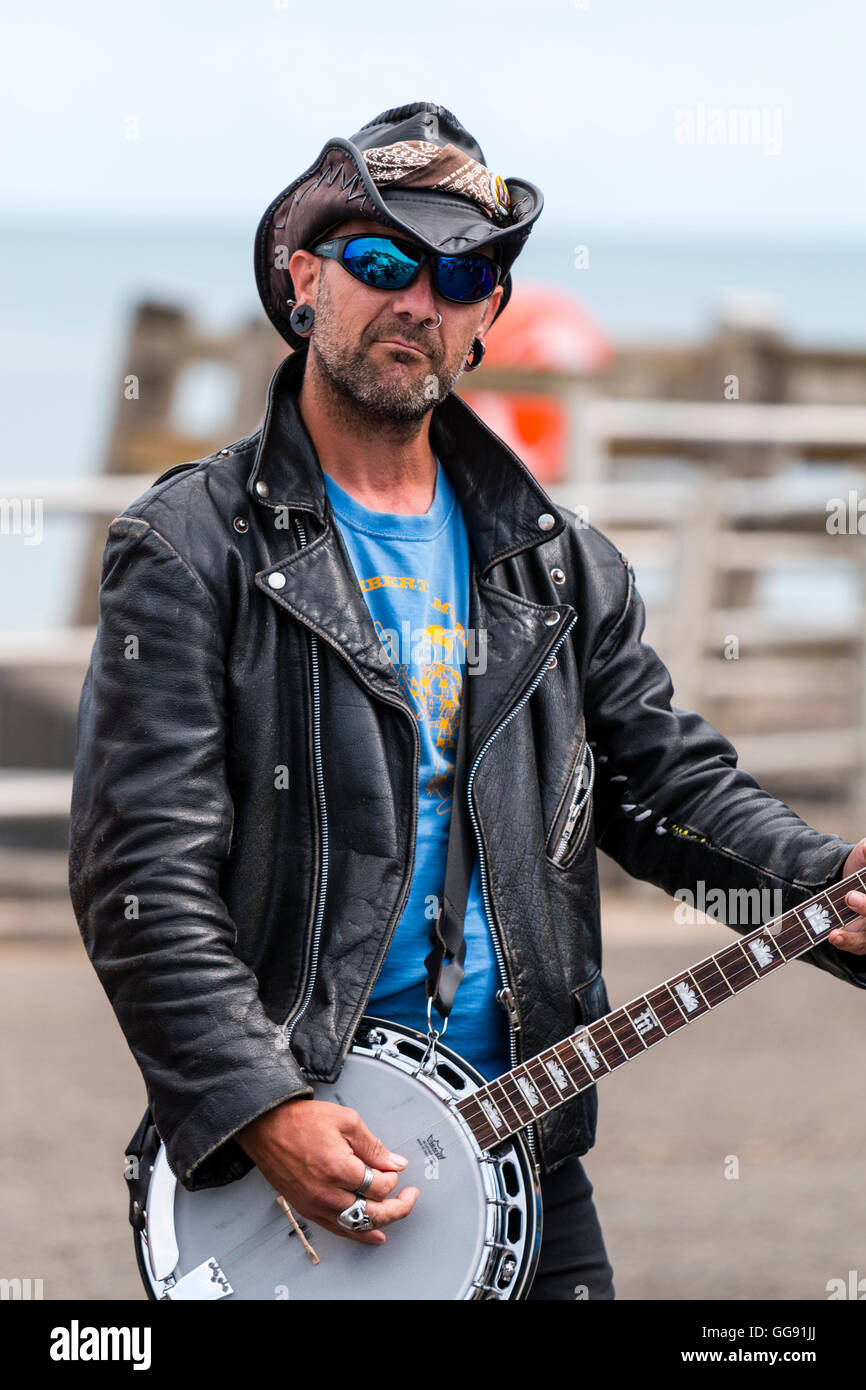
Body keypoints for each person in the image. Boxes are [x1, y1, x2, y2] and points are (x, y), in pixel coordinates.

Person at [68, 101, 866, 1301]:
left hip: (523, 1147)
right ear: (302, 281)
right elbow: (143, 870)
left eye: (460, 273)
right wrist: (258, 1104)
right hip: (291, 1167)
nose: (418, 301)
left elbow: (661, 788)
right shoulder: (191, 548)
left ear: (488, 310)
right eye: (381, 262)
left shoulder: (557, 562)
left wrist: (817, 882)